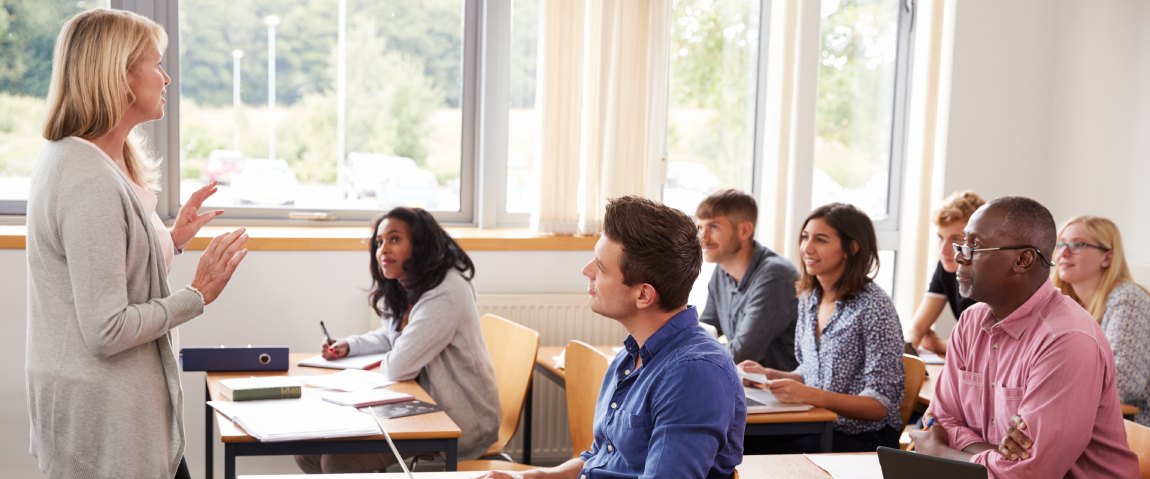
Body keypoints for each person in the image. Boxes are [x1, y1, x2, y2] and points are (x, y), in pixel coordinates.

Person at [25, 8, 249, 479]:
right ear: (121, 76)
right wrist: (198, 295)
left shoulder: (93, 161)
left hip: (115, 415)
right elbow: (107, 329)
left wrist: (172, 239)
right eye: (156, 64)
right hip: (106, 422)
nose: (166, 78)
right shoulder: (89, 180)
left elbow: (112, 264)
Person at [479, 195, 745, 479]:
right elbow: (603, 458)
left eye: (601, 267)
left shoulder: (694, 375)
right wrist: (535, 477)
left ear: (643, 295)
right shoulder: (630, 355)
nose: (586, 271)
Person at [909, 197, 1139, 477]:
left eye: (975, 246)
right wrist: (995, 454)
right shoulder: (970, 322)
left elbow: (1030, 473)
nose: (959, 255)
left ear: (1022, 260)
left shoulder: (1067, 340)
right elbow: (939, 421)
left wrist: (941, 454)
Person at [295, 207, 500, 473]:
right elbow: (394, 337)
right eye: (379, 242)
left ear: (421, 244)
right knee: (307, 453)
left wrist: (393, 351)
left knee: (339, 461)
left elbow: (398, 366)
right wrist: (350, 345)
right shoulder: (410, 282)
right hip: (420, 405)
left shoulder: (446, 292)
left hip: (458, 419)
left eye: (394, 239)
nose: (383, 250)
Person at [740, 202, 905, 453]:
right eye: (805, 237)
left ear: (851, 248)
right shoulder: (809, 298)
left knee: (748, 449)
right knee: (731, 442)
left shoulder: (874, 306)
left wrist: (809, 395)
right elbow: (811, 374)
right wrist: (768, 375)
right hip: (819, 426)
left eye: (821, 240)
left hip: (862, 438)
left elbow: (879, 405)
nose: (807, 247)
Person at [1053, 216, 1150, 425]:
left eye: (1077, 244)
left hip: (1134, 427)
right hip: (1087, 416)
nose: (1063, 252)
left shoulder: (1128, 298)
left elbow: (1124, 382)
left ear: (1107, 257)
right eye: (1060, 243)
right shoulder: (1066, 304)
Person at [696, 189, 799, 370]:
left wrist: (693, 356)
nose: (703, 238)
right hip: (746, 385)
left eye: (713, 227)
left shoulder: (775, 275)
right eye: (700, 227)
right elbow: (703, 333)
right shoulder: (722, 270)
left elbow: (741, 354)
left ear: (744, 230)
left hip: (775, 393)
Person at [909, 191, 985, 355]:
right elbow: (916, 329)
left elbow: (979, 348)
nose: (943, 249)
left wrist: (937, 344)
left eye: (955, 239)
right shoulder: (945, 268)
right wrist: (907, 348)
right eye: (940, 238)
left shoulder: (991, 278)